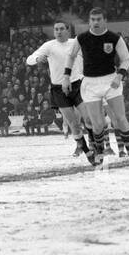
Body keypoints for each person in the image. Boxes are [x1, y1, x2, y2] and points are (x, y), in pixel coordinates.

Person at [65, 7, 129, 166]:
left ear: (105, 20)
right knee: (97, 124)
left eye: (99, 19)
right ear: (89, 21)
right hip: (90, 83)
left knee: (120, 119)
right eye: (93, 19)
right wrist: (66, 76)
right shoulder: (82, 38)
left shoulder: (114, 38)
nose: (96, 22)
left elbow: (126, 59)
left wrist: (120, 76)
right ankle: (99, 154)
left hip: (111, 81)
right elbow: (71, 57)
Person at [25, 20, 88, 157]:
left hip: (77, 84)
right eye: (56, 29)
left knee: (87, 118)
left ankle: (96, 145)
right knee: (72, 122)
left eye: (61, 29)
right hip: (58, 88)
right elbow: (29, 59)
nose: (58, 31)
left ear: (68, 30)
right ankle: (80, 146)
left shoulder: (76, 43)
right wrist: (37, 59)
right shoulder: (49, 45)